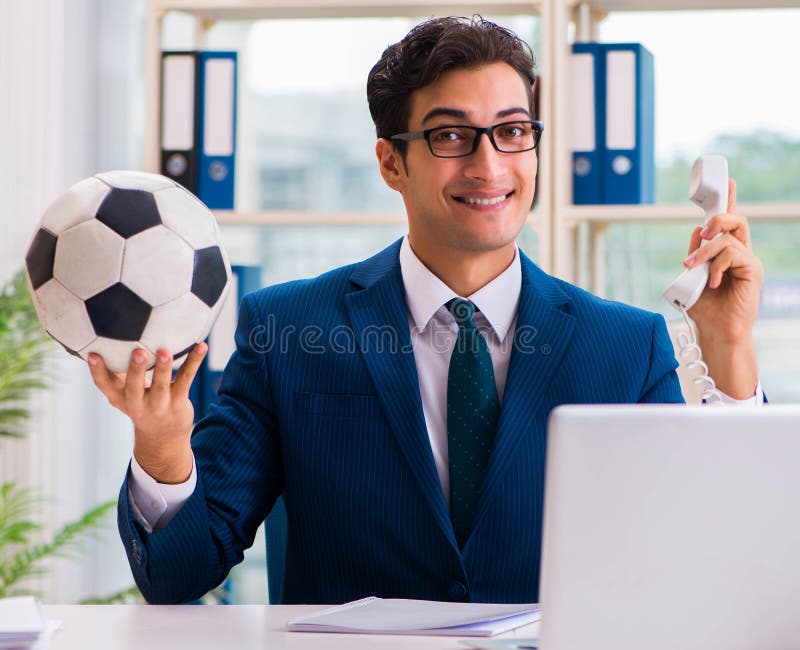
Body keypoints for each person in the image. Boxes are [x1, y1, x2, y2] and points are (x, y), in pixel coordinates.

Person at [89, 16, 763, 605]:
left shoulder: (626, 343)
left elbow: (721, 553)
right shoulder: (286, 330)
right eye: (450, 137)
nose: (489, 166)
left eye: (512, 131)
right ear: (391, 162)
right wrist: (162, 444)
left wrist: (728, 348)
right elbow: (178, 576)